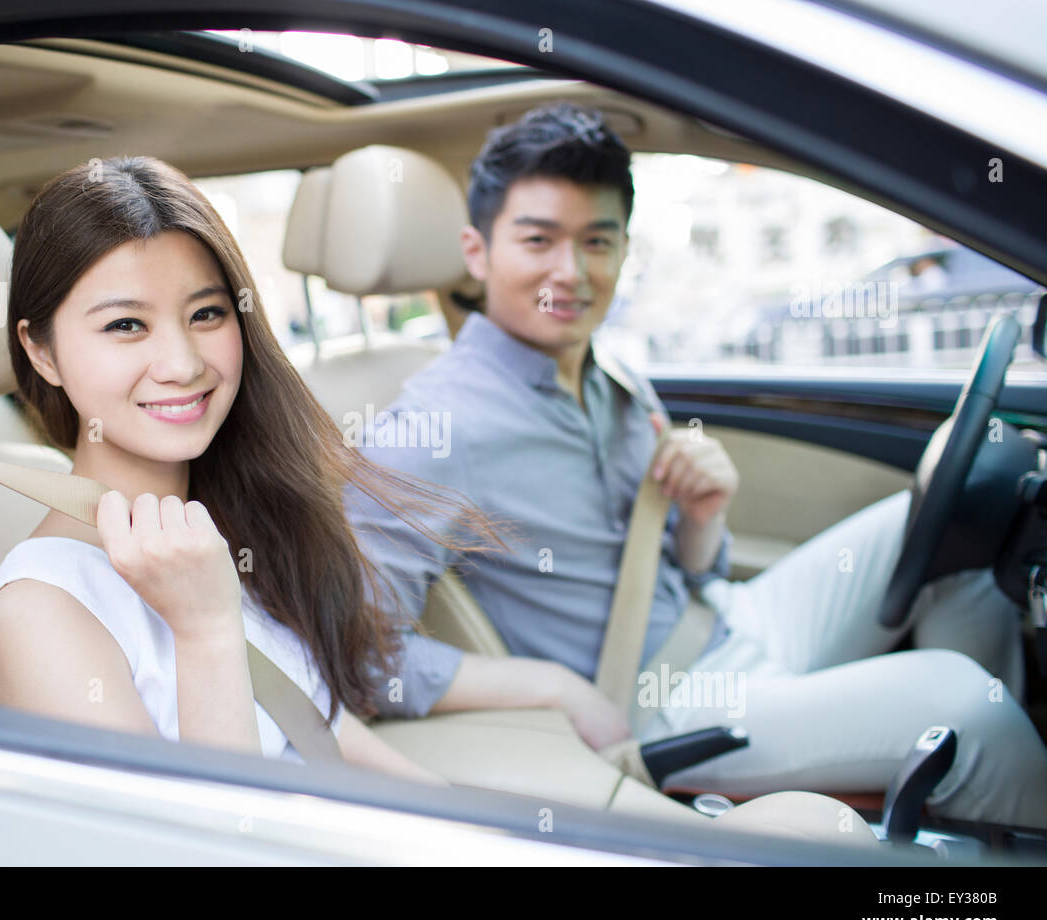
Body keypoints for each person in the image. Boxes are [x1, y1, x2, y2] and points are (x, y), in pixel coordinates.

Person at [346, 102, 1047, 830]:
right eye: (538, 240)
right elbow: (359, 655)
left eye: (597, 241)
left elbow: (696, 571)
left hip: (730, 618)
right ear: (476, 251)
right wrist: (551, 686)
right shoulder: (429, 429)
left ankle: (968, 809)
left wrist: (705, 518)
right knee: (963, 706)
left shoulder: (611, 377)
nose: (572, 271)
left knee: (963, 517)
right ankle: (991, 788)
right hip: (664, 701)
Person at [0, 156, 617, 783]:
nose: (182, 362)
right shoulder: (42, 610)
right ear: (42, 352)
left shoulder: (232, 518)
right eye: (126, 325)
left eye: (206, 314)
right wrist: (204, 630)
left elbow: (324, 730)